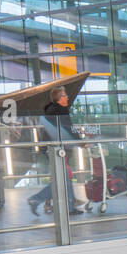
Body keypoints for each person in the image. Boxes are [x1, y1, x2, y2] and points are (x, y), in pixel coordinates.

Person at [28, 87, 81, 216]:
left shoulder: (50, 110)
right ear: (59, 99)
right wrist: (81, 141)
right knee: (62, 179)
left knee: (64, 178)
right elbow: (69, 128)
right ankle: (36, 199)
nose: (66, 98)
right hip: (59, 150)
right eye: (64, 96)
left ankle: (69, 207)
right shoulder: (60, 110)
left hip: (52, 149)